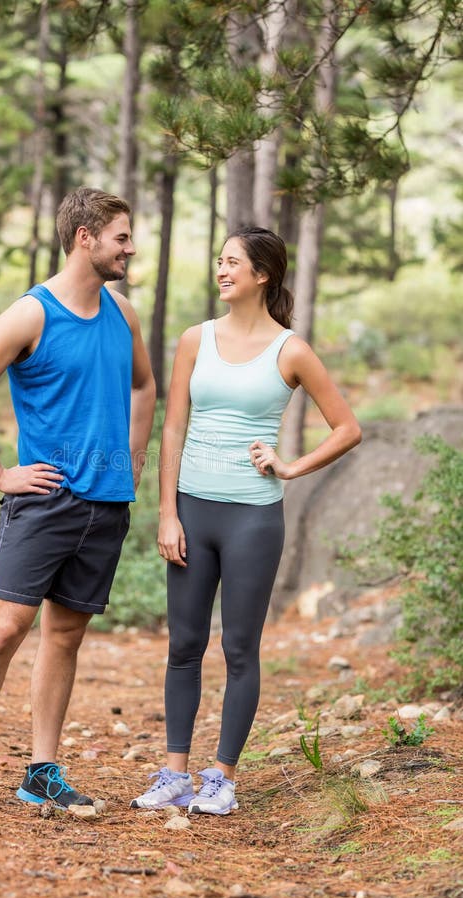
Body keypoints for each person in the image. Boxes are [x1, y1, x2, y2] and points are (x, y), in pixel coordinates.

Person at [0, 187, 156, 809]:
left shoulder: (123, 313)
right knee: (5, 629)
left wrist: (133, 458)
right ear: (85, 238)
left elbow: (143, 385)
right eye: (122, 237)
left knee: (65, 635)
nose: (130, 248)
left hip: (107, 504)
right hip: (45, 501)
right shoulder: (32, 314)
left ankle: (41, 771)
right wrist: (0, 474)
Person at [130, 226, 361, 816]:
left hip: (253, 520)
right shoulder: (195, 339)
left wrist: (290, 467)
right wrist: (166, 513)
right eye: (219, 260)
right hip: (192, 511)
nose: (222, 270)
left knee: (239, 648)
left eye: (233, 262)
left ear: (262, 274)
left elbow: (347, 428)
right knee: (184, 644)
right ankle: (175, 774)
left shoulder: (291, 350)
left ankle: (223, 778)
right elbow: (173, 427)